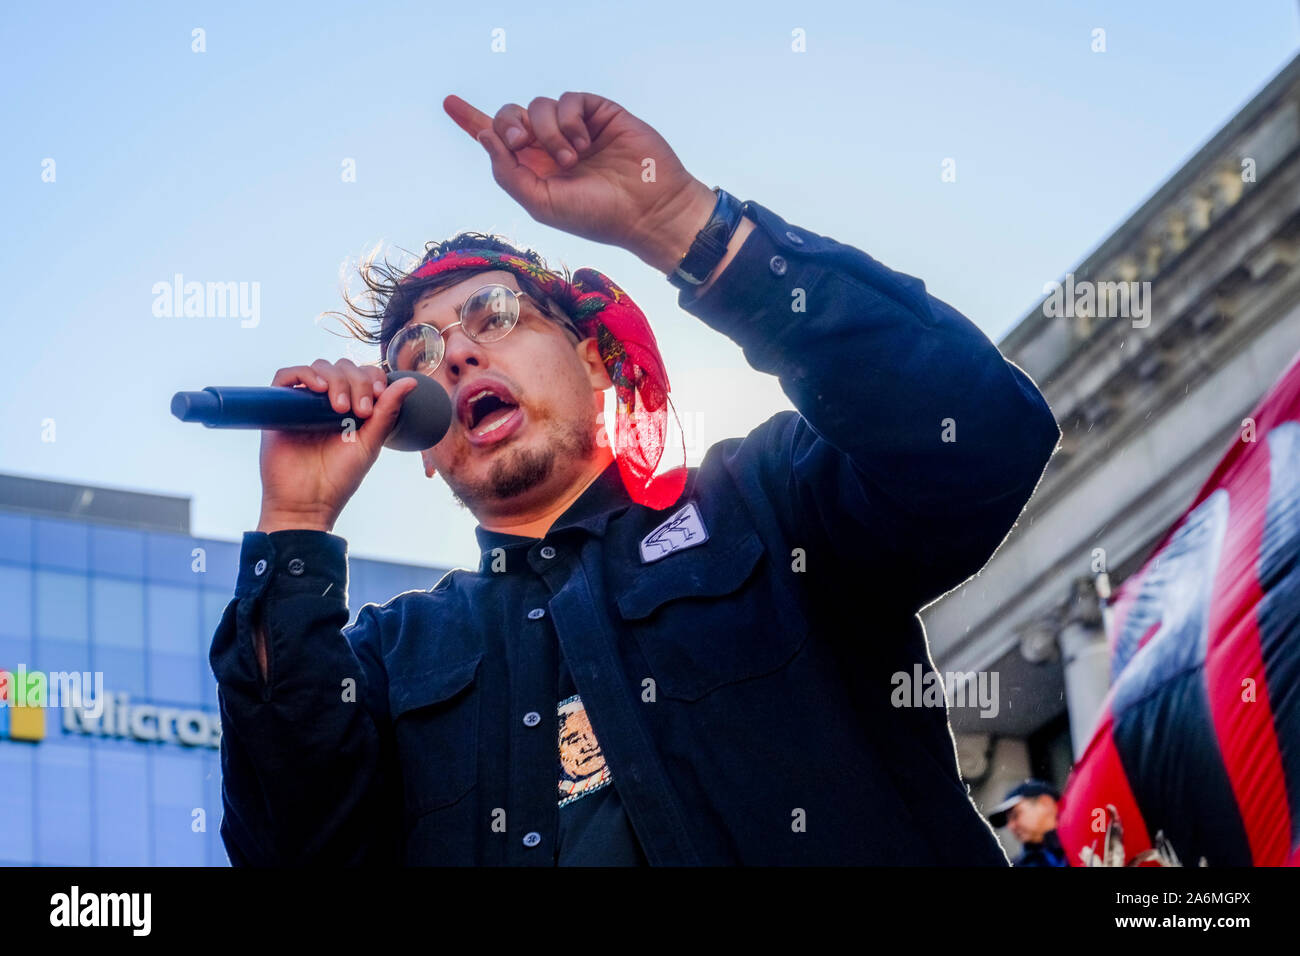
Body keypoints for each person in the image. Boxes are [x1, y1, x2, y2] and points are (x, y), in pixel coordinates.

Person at [209, 91, 1061, 865]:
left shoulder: (766, 501)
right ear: (419, 441)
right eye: (418, 357)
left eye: (494, 316)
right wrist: (295, 519)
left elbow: (980, 437)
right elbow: (290, 846)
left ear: (594, 358)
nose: (459, 353)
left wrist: (683, 221)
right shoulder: (390, 661)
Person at [986, 779, 1070, 867]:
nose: (1010, 826)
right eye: (1007, 821)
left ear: (1046, 804)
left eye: (1015, 815)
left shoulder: (1082, 839)